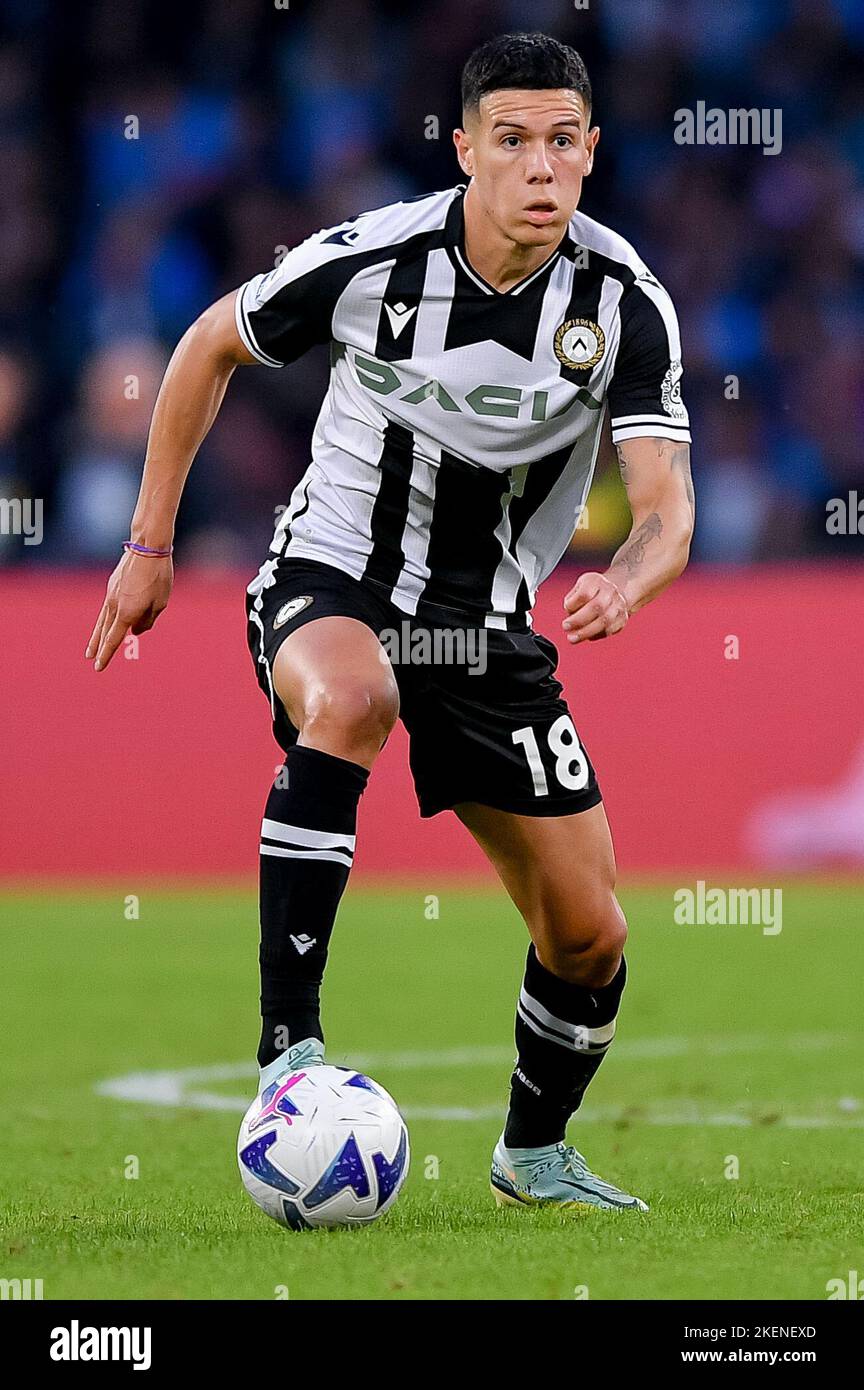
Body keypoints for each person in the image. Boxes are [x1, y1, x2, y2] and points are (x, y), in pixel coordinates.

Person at [86, 32, 695, 1212]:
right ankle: (288, 1052)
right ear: (464, 148)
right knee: (351, 699)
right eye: (510, 141)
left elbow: (667, 510)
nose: (537, 168)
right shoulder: (376, 257)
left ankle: (531, 1155)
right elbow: (211, 339)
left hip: (486, 629)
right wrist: (150, 545)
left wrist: (630, 576)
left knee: (588, 935)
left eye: (560, 142)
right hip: (335, 576)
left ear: (590, 154)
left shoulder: (623, 304)